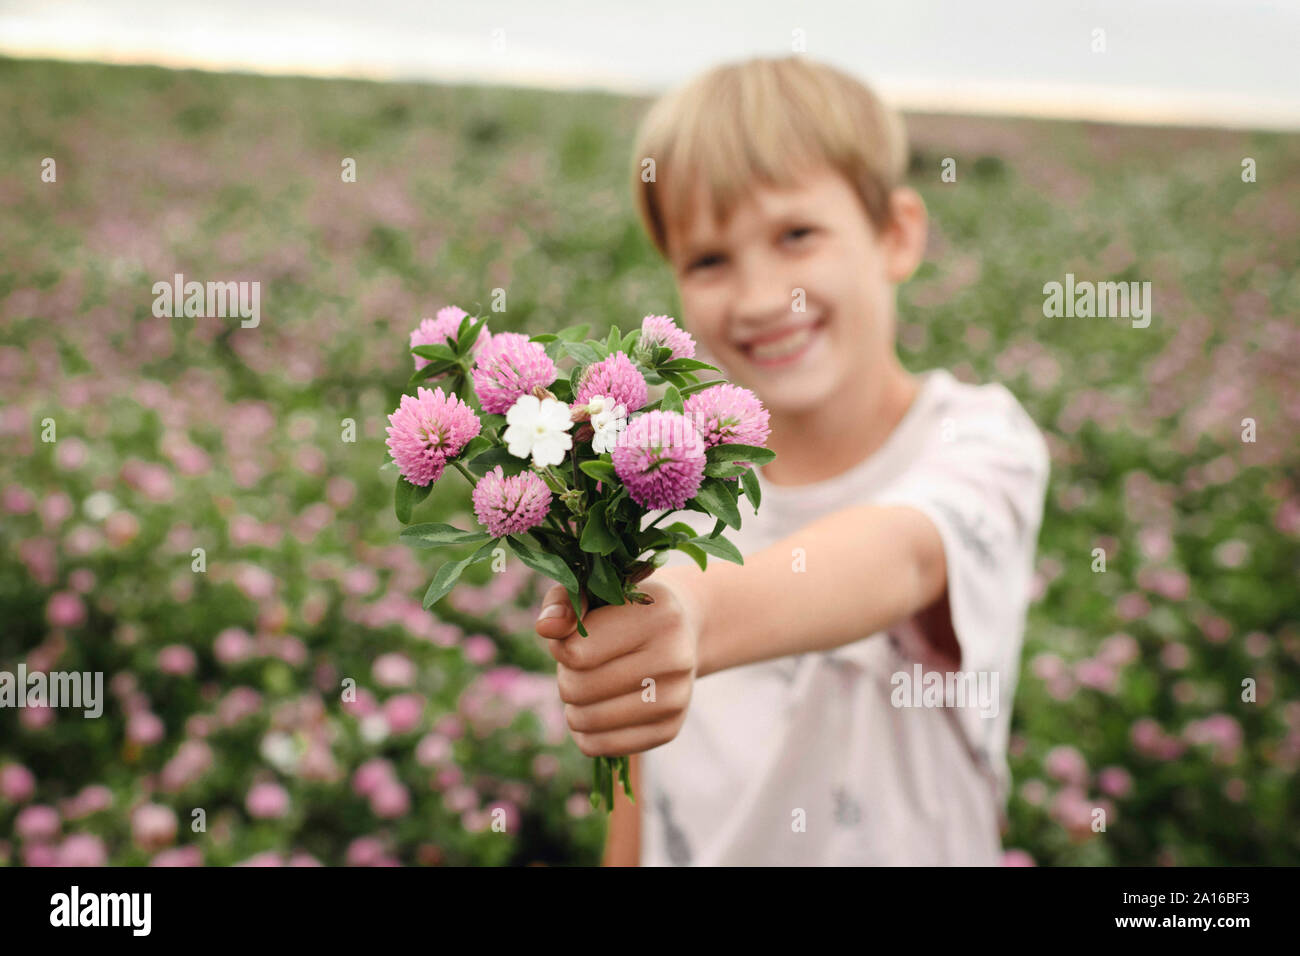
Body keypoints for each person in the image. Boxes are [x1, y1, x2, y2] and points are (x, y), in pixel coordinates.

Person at [534, 55, 1049, 866]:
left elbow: (899, 557)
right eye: (708, 260)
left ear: (897, 234)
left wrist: (691, 614)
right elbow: (638, 788)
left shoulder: (982, 442)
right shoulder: (654, 483)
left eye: (796, 235)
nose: (763, 295)